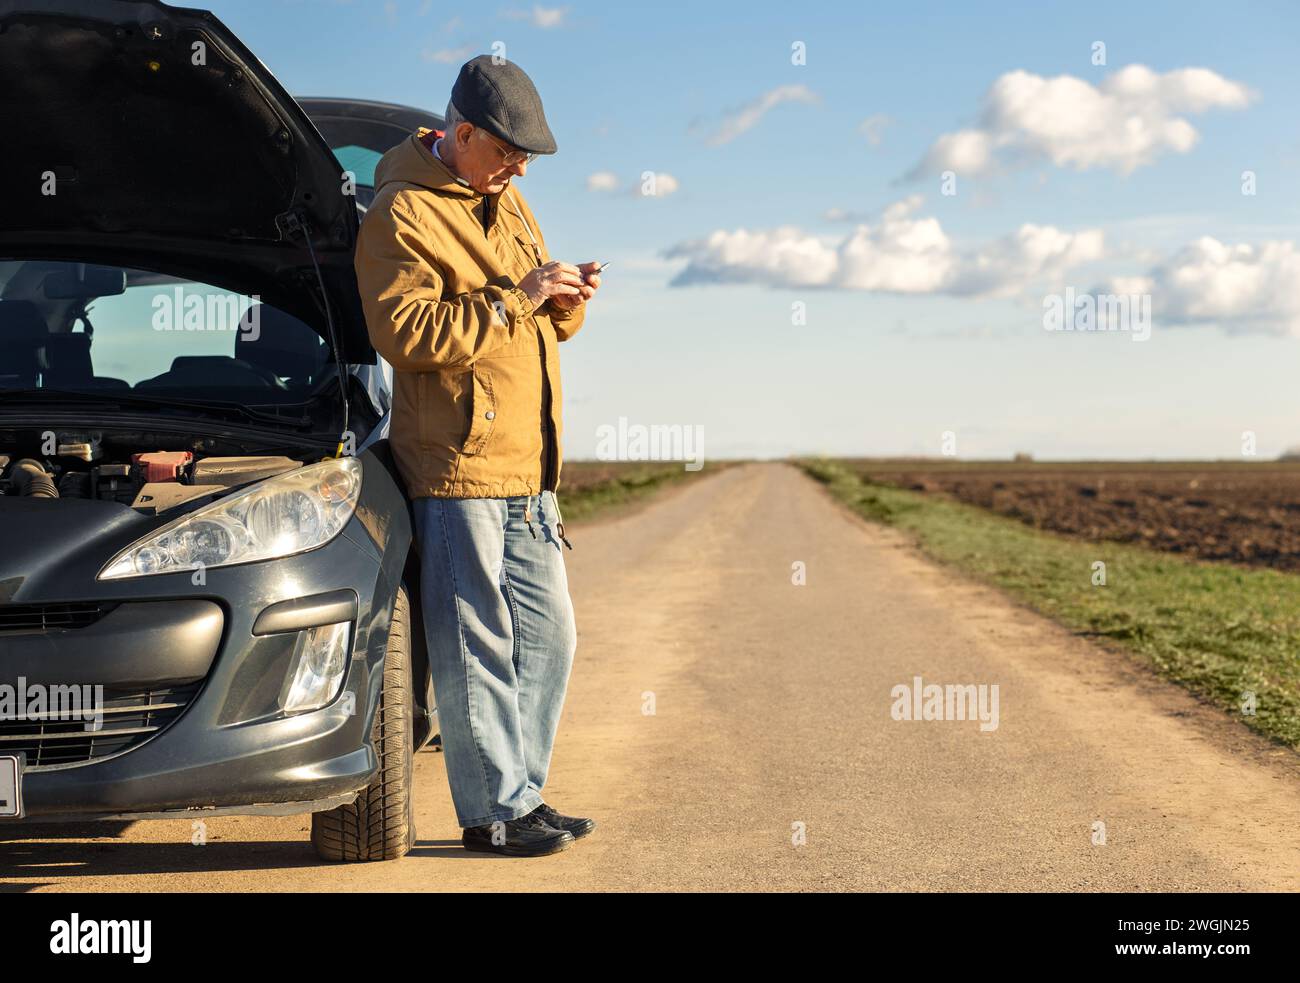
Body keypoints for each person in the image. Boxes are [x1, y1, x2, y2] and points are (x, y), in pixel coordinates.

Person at [353, 55, 602, 857]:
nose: (519, 167)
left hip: (529, 466)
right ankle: (494, 811)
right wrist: (518, 297)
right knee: (476, 641)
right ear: (462, 134)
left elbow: (533, 318)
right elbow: (410, 335)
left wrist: (563, 303)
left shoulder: (510, 199)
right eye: (507, 151)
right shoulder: (399, 215)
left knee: (550, 635)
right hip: (455, 469)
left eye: (526, 157)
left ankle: (521, 794)